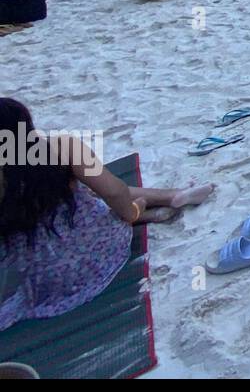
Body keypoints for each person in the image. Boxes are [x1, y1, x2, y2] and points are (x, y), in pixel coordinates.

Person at [0, 97, 214, 332]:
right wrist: (130, 213)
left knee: (80, 196)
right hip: (96, 252)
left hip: (45, 280)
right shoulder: (62, 147)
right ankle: (162, 201)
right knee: (99, 195)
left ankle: (156, 207)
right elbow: (114, 192)